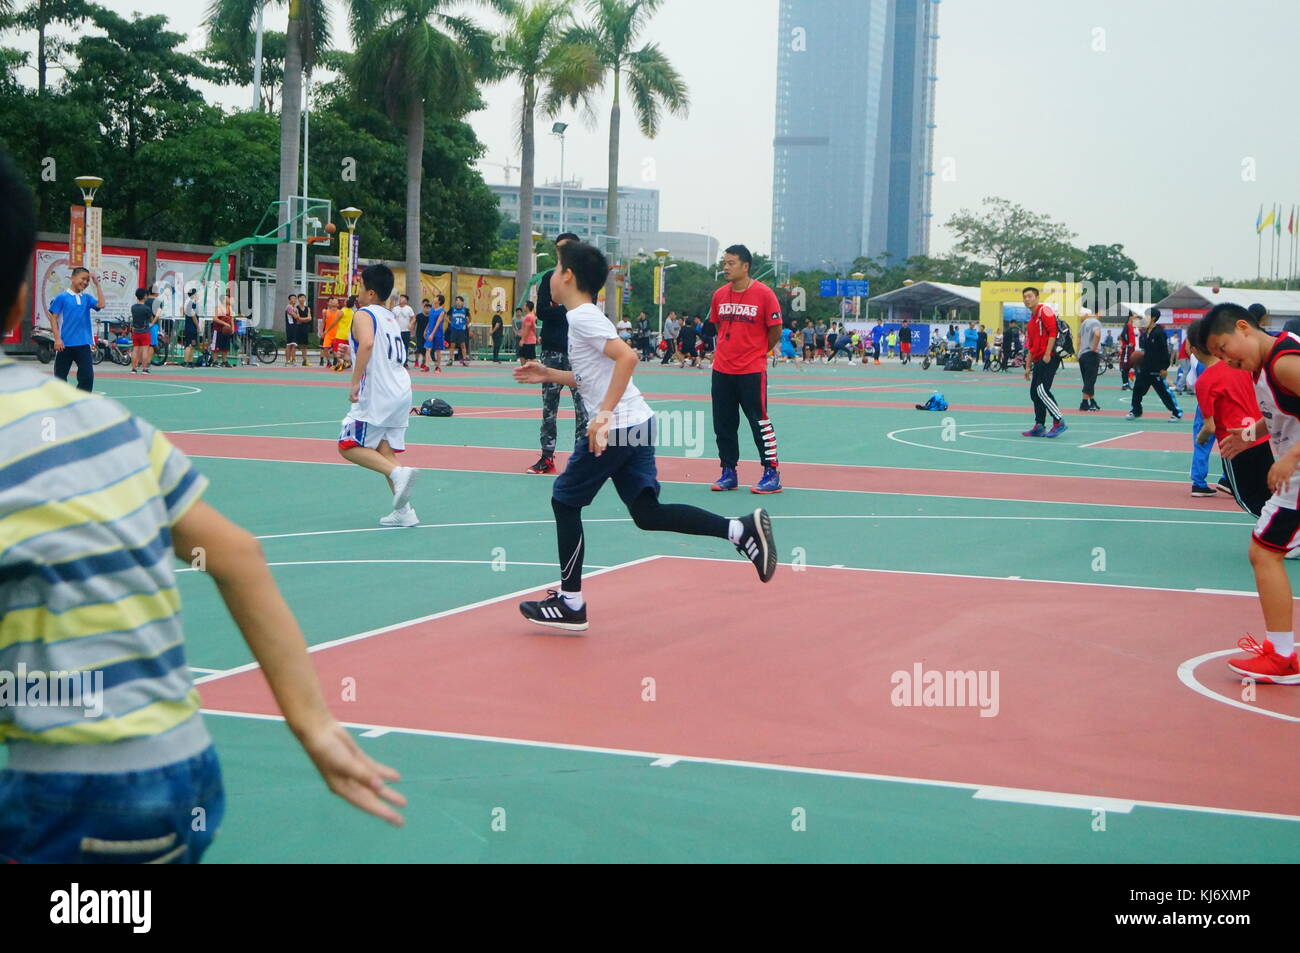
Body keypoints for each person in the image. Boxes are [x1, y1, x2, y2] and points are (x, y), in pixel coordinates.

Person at [0, 148, 406, 864]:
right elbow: (237, 553)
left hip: (65, 790)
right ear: (16, 304)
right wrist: (313, 724)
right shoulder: (111, 425)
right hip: (180, 771)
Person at [512, 241, 777, 631]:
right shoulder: (584, 317)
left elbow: (628, 358)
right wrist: (552, 374)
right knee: (647, 513)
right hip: (636, 422)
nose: (550, 277)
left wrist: (601, 418)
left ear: (567, 276)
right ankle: (739, 530)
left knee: (564, 501)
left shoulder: (583, 317)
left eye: (554, 269)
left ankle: (571, 603)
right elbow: (594, 375)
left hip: (618, 428)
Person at [1201, 303, 1300, 683]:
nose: (1225, 358)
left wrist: (1290, 457)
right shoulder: (1263, 366)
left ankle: (1282, 657)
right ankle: (1281, 654)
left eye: (1225, 347)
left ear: (1243, 328)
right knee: (1266, 551)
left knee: (1264, 551)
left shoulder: (1283, 362)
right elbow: (1279, 416)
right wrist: (1246, 437)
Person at [337, 264, 421, 527]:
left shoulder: (363, 313)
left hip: (378, 392)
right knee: (383, 449)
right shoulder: (390, 316)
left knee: (348, 446)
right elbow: (374, 349)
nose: (358, 291)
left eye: (361, 286)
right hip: (400, 389)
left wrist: (354, 382)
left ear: (371, 292)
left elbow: (369, 344)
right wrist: (350, 355)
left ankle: (397, 474)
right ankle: (405, 512)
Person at [708, 244, 784, 494]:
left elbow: (775, 330)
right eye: (724, 263)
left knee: (759, 421)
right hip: (722, 369)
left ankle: (771, 471)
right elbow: (718, 327)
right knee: (724, 423)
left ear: (745, 266)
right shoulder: (719, 295)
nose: (726, 267)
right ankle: (728, 471)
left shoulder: (764, 294)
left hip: (751, 370)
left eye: (731, 263)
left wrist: (759, 350)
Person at [1189, 314, 1269, 507]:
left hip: (1235, 444)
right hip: (1259, 437)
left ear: (1192, 349)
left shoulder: (1205, 382)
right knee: (1270, 498)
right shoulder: (1240, 366)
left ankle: (1277, 535)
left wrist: (1200, 438)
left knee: (1251, 503)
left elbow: (1209, 427)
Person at [529, 232, 589, 475]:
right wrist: (567, 307)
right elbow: (542, 311)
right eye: (559, 249)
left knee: (583, 410)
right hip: (552, 350)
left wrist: (561, 307)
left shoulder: (586, 279)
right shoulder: (548, 279)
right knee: (549, 408)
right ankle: (546, 457)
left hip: (579, 353)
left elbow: (585, 309)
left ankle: (580, 461)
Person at [48, 265, 103, 392]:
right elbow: (53, 318)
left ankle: (81, 401)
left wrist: (97, 284)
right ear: (72, 278)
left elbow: (101, 304)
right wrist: (57, 339)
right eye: (83, 279)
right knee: (60, 378)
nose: (85, 282)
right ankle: (60, 402)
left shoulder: (87, 298)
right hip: (64, 344)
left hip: (83, 344)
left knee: (87, 377)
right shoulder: (62, 297)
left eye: (87, 280)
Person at [1021, 287, 1067, 438]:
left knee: (1042, 390)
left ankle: (1059, 421)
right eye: (1025, 297)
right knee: (1034, 393)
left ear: (1037, 297)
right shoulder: (1031, 321)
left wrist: (1047, 353)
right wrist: (1027, 366)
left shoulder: (1045, 311)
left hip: (1050, 357)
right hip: (1039, 359)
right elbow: (1031, 347)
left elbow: (1053, 332)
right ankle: (1039, 425)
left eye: (1030, 296)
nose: (1027, 299)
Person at [1127, 308, 1182, 421]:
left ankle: (1176, 412)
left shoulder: (1159, 332)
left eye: (1146, 316)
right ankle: (1136, 411)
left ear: (1153, 318)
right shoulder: (1145, 333)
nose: (1144, 318)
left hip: (1157, 369)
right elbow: (1134, 323)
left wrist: (1164, 368)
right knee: (1137, 389)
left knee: (1164, 393)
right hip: (1145, 367)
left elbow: (1164, 351)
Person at [1077, 312, 1103, 411]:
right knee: (1090, 380)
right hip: (1091, 354)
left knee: (1087, 379)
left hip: (1082, 354)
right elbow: (1097, 334)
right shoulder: (1096, 322)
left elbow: (1078, 337)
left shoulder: (1084, 323)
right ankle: (1084, 403)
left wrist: (1079, 349)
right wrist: (1094, 347)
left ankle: (1092, 401)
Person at [129, 286, 153, 374]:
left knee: (135, 349)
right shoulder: (146, 308)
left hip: (135, 331)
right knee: (145, 350)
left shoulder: (133, 307)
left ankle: (133, 368)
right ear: (144, 296)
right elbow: (151, 319)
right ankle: (144, 368)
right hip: (145, 331)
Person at [211, 292, 236, 367]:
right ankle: (214, 361)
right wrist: (224, 323)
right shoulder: (218, 308)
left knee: (225, 346)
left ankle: (224, 361)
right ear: (223, 300)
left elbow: (231, 319)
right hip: (218, 329)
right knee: (216, 346)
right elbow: (214, 318)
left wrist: (233, 328)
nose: (229, 299)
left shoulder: (229, 308)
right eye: (227, 298)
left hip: (226, 331)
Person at [424, 294, 446, 372]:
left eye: (436, 297)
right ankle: (427, 366)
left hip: (438, 333)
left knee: (437, 350)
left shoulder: (442, 311)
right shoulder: (432, 309)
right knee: (427, 348)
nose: (434, 298)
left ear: (439, 300)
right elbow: (430, 321)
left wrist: (432, 334)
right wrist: (426, 330)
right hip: (430, 332)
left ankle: (437, 367)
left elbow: (437, 324)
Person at [393, 294, 416, 366]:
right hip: (396, 331)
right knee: (397, 346)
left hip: (406, 331)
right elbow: (391, 318)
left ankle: (405, 362)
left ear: (406, 300)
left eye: (402, 298)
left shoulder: (409, 308)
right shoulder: (395, 308)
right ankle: (397, 361)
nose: (400, 299)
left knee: (405, 346)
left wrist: (411, 324)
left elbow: (414, 318)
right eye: (400, 298)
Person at [1118, 312, 1139, 389]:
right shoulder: (1127, 325)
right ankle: (1125, 384)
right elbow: (1123, 334)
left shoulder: (1132, 326)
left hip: (1132, 348)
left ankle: (1127, 383)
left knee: (1131, 365)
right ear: (1130, 317)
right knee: (1125, 366)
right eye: (1134, 316)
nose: (1135, 318)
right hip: (1127, 348)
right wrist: (1128, 343)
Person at [448, 295, 470, 366]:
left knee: (463, 345)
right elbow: (446, 316)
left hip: (461, 330)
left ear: (462, 303)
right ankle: (450, 360)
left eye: (459, 301)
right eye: (456, 301)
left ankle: (464, 360)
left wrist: (467, 322)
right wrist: (450, 322)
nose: (458, 302)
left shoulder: (465, 310)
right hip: (454, 329)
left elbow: (469, 318)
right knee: (452, 345)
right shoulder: (452, 309)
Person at [335, 295, 355, 371]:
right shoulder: (352, 312)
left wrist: (326, 330)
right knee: (345, 351)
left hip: (340, 334)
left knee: (336, 351)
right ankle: (346, 363)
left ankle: (341, 364)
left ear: (346, 303)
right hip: (348, 335)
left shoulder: (342, 311)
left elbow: (335, 322)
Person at [181, 287, 201, 367]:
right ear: (194, 294)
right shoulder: (190, 303)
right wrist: (197, 325)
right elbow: (193, 316)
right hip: (191, 326)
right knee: (189, 344)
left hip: (190, 326)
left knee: (192, 344)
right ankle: (186, 361)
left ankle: (190, 361)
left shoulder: (190, 302)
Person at [322, 297, 342, 369]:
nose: (334, 302)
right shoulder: (325, 311)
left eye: (335, 301)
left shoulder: (340, 312)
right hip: (328, 333)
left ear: (338, 304)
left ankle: (336, 360)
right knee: (325, 348)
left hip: (337, 333)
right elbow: (323, 322)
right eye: (332, 301)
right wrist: (322, 331)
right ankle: (328, 362)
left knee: (335, 349)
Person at [518, 300, 538, 364]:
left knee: (531, 359)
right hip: (529, 341)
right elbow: (534, 329)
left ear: (527, 307)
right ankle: (525, 370)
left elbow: (527, 329)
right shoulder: (531, 316)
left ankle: (539, 368)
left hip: (528, 341)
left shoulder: (529, 317)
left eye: (524, 305)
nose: (523, 307)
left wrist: (522, 340)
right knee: (522, 356)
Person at [296, 293, 313, 366]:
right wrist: (306, 319)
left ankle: (305, 360)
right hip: (298, 328)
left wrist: (303, 319)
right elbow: (298, 319)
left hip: (305, 328)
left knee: (305, 345)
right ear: (298, 299)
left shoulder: (308, 308)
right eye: (301, 297)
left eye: (304, 298)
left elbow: (310, 318)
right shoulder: (296, 308)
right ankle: (293, 360)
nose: (302, 299)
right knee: (296, 344)